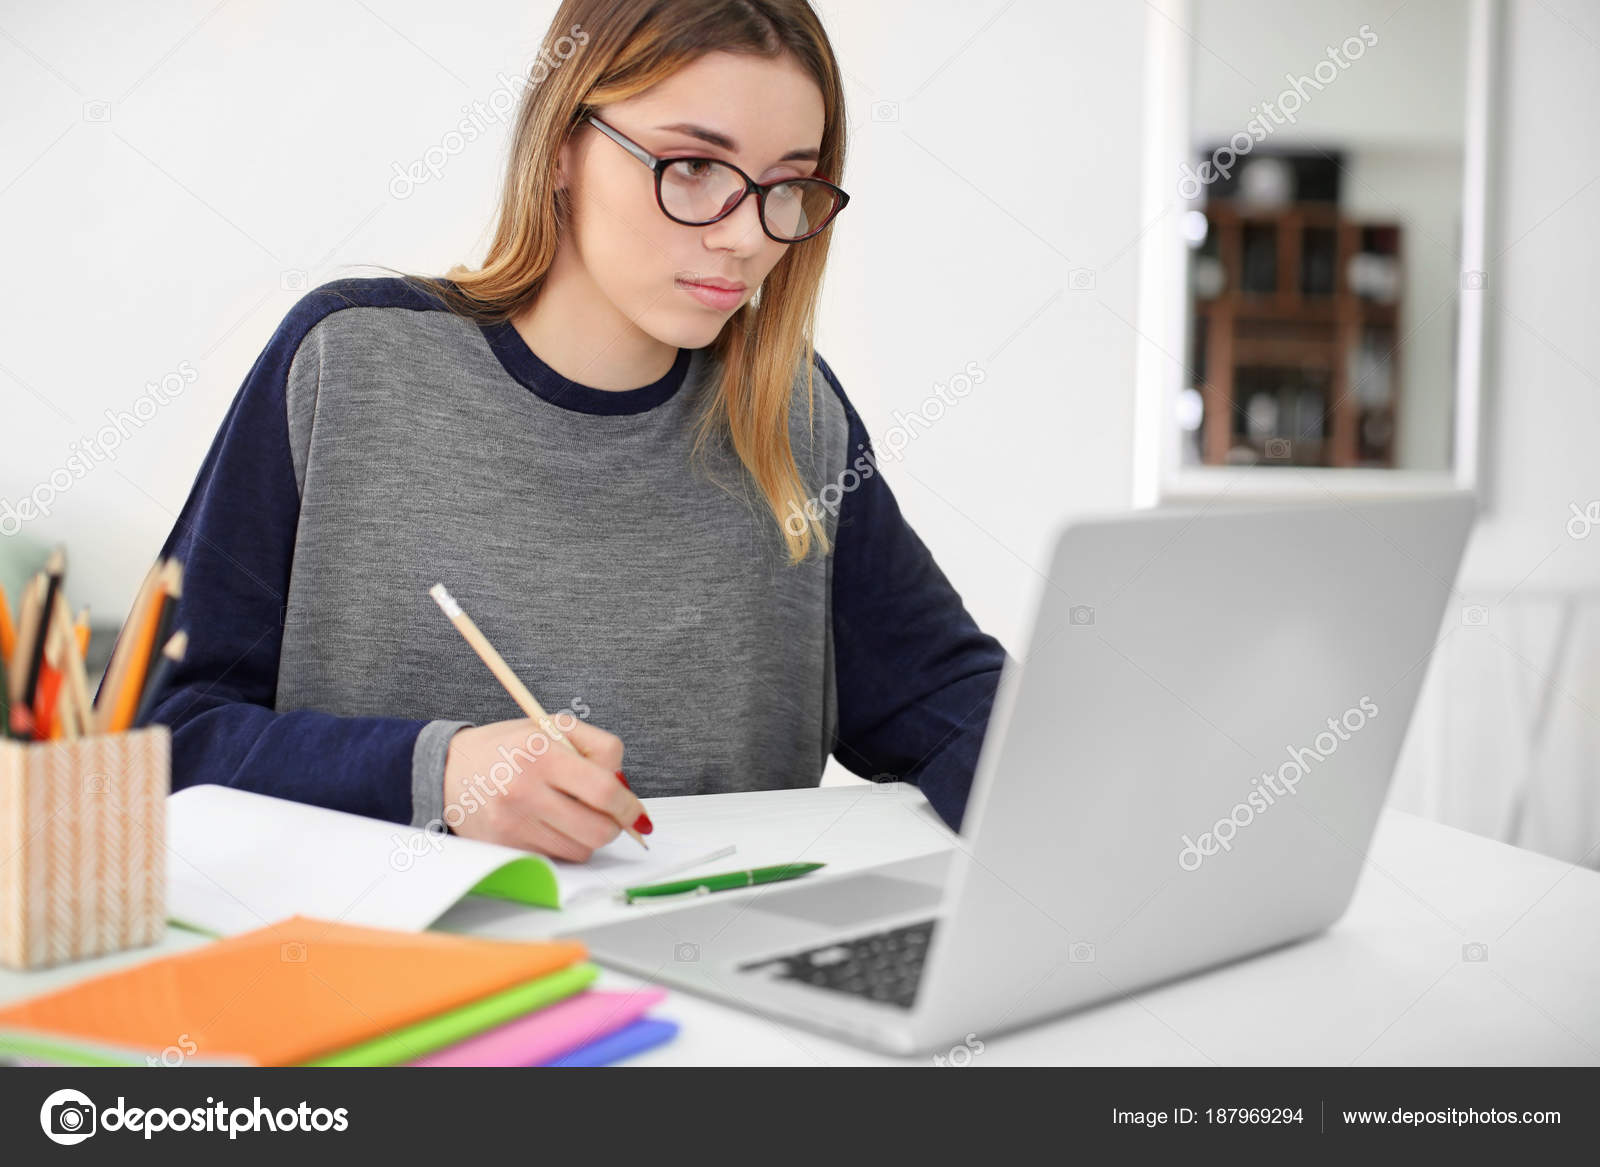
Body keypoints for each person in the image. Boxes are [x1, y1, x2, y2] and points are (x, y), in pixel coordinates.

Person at [138, 0, 1007, 862]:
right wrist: (435, 775)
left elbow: (954, 709)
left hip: (711, 971)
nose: (747, 236)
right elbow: (152, 744)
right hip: (390, 972)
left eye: (787, 185)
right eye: (695, 165)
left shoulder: (794, 417)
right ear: (562, 149)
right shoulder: (350, 363)